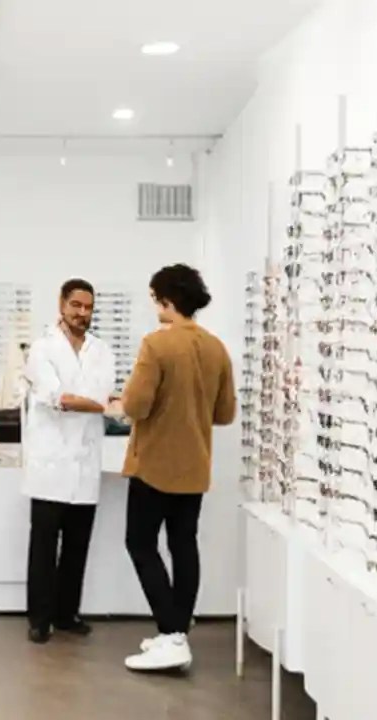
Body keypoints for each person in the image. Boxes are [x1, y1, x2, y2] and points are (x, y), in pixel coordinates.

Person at [117, 264, 236, 671]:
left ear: (166, 300)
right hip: (195, 465)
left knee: (140, 543)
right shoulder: (217, 347)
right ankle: (176, 633)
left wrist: (125, 400)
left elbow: (135, 406)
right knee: (183, 545)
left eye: (155, 299)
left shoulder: (157, 345)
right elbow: (225, 413)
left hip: (154, 465)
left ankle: (170, 633)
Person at [21, 278, 115, 644]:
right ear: (61, 304)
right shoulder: (42, 349)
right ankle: (39, 619)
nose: (83, 313)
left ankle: (66, 614)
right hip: (50, 462)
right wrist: (100, 404)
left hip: (86, 460)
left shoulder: (101, 350)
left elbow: (100, 392)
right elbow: (55, 396)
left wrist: (93, 400)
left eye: (88, 307)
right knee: (43, 545)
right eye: (76, 305)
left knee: (77, 545)